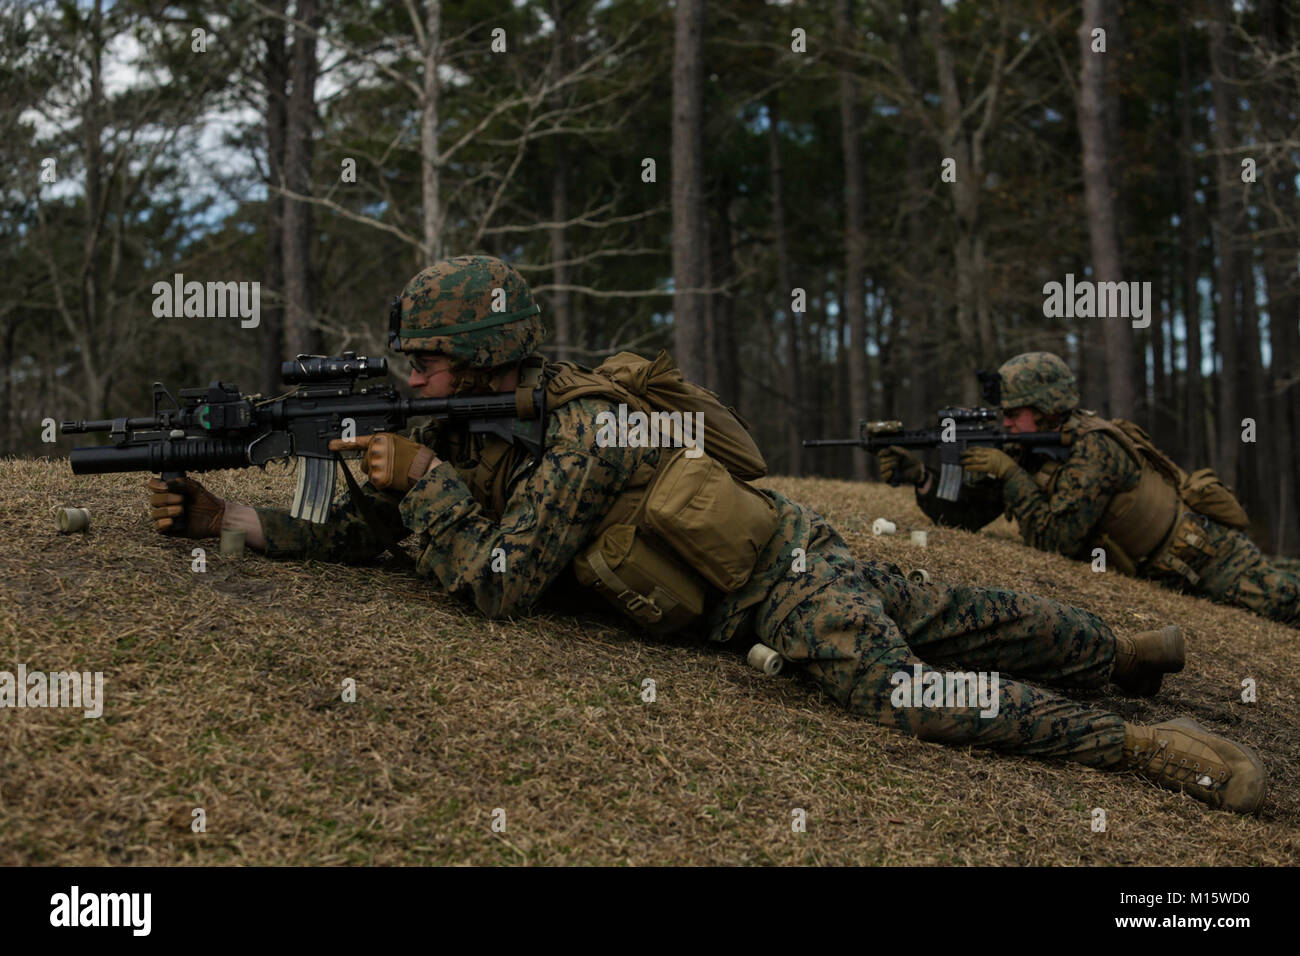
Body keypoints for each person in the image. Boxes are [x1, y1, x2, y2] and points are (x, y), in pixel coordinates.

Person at [148, 257, 1268, 814]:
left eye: (429, 362)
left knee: (909, 690)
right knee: (965, 616)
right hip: (773, 565)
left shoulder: (583, 426)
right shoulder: (458, 423)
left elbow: (497, 584)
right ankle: (1122, 649)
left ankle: (1139, 742)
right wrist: (230, 517)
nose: (414, 378)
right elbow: (367, 532)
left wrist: (426, 480)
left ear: (486, 355)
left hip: (781, 582)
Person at [880, 352, 1299, 628]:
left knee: (1287, 603)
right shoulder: (1030, 448)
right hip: (1171, 572)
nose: (1005, 422)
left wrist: (1009, 474)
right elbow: (969, 518)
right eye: (1002, 413)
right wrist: (922, 478)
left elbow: (1057, 539)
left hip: (1215, 560)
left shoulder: (1093, 448)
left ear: (1047, 408)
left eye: (1015, 413)